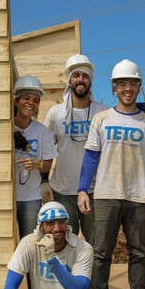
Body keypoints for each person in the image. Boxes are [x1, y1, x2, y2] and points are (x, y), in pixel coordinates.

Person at [78, 59, 145, 289]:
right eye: (122, 84)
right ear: (114, 88)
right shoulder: (102, 119)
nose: (127, 88)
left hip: (139, 196)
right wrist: (83, 189)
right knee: (101, 252)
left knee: (139, 253)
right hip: (105, 195)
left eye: (132, 83)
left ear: (139, 87)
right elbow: (91, 157)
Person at [44, 54, 108, 242]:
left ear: (91, 81)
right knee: (65, 245)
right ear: (69, 80)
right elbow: (46, 150)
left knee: (97, 245)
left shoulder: (102, 112)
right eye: (76, 75)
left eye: (85, 76)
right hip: (63, 191)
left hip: (94, 191)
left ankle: (93, 274)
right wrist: (43, 181)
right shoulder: (56, 113)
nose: (81, 79)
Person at [12, 75, 58, 239]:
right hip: (6, 195)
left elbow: (47, 165)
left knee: (30, 243)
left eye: (36, 100)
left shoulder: (41, 131)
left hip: (31, 198)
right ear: (16, 101)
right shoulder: (5, 127)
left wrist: (36, 164)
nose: (31, 103)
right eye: (26, 98)